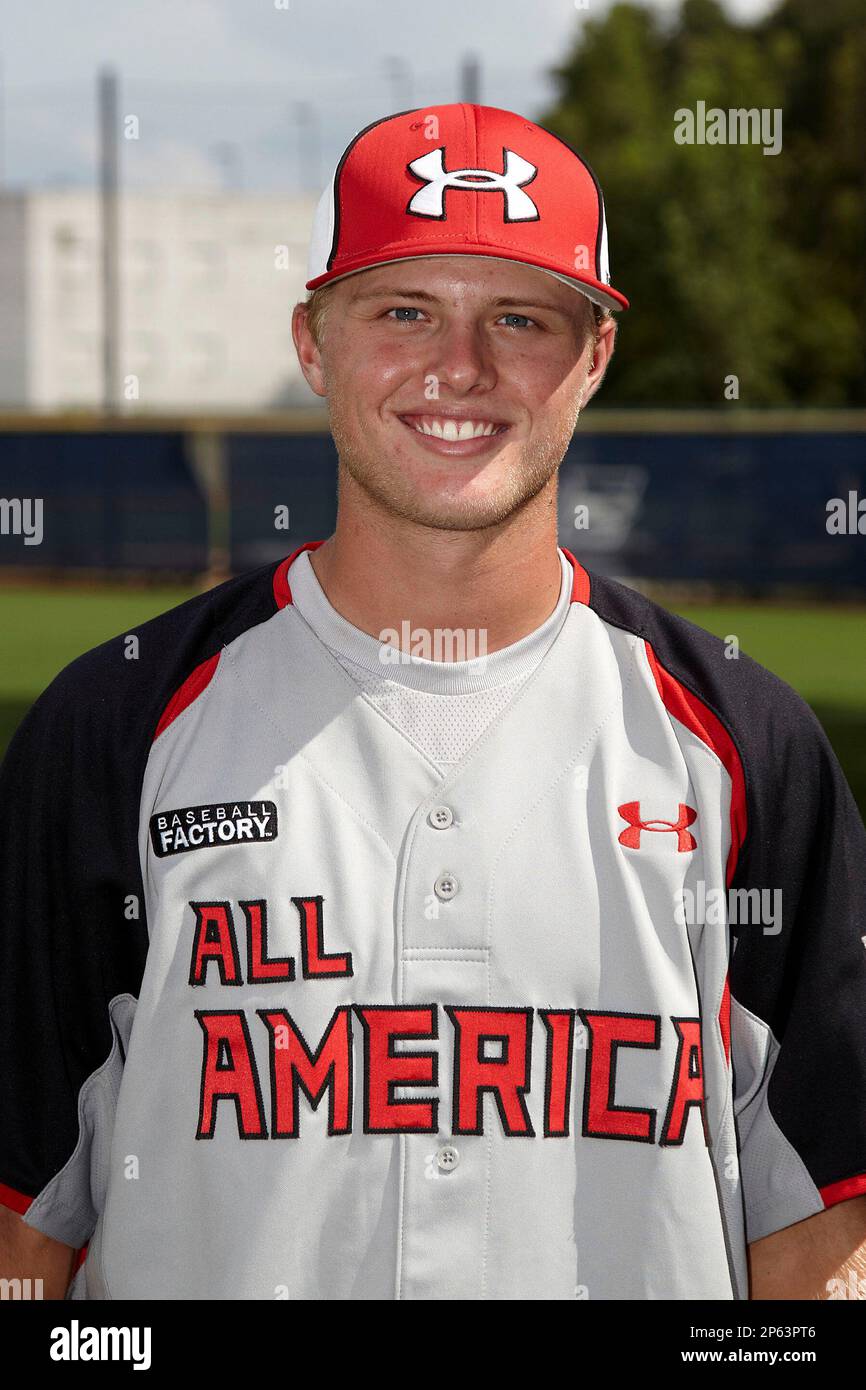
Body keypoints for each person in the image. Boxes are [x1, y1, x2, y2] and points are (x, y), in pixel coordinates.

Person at [2, 102, 865, 1301]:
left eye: (518, 317)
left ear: (596, 354)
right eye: (402, 310)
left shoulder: (740, 742)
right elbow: (22, 1216)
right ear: (312, 343)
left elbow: (819, 1225)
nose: (458, 367)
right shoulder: (117, 727)